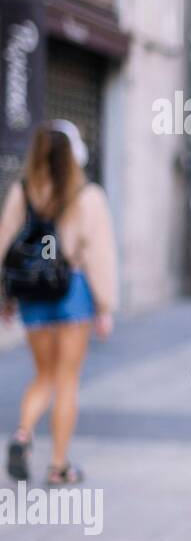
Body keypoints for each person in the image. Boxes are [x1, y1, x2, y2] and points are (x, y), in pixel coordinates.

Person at [1, 121, 118, 484]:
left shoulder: (23, 192)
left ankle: (23, 433)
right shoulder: (88, 195)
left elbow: (6, 245)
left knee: (43, 374)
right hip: (73, 292)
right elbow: (100, 254)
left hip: (34, 293)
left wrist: (5, 296)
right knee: (66, 379)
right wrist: (105, 306)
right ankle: (58, 466)